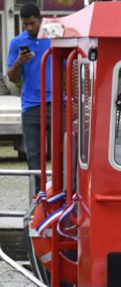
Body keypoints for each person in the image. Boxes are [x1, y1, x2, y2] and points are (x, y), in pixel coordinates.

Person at [7, 3, 51, 183]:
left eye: (32, 23)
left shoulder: (54, 39)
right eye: (26, 24)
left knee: (64, 153)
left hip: (56, 103)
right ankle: (38, 199)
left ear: (40, 19)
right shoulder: (17, 43)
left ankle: (64, 195)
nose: (29, 28)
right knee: (33, 156)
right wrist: (19, 62)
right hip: (31, 106)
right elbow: (12, 78)